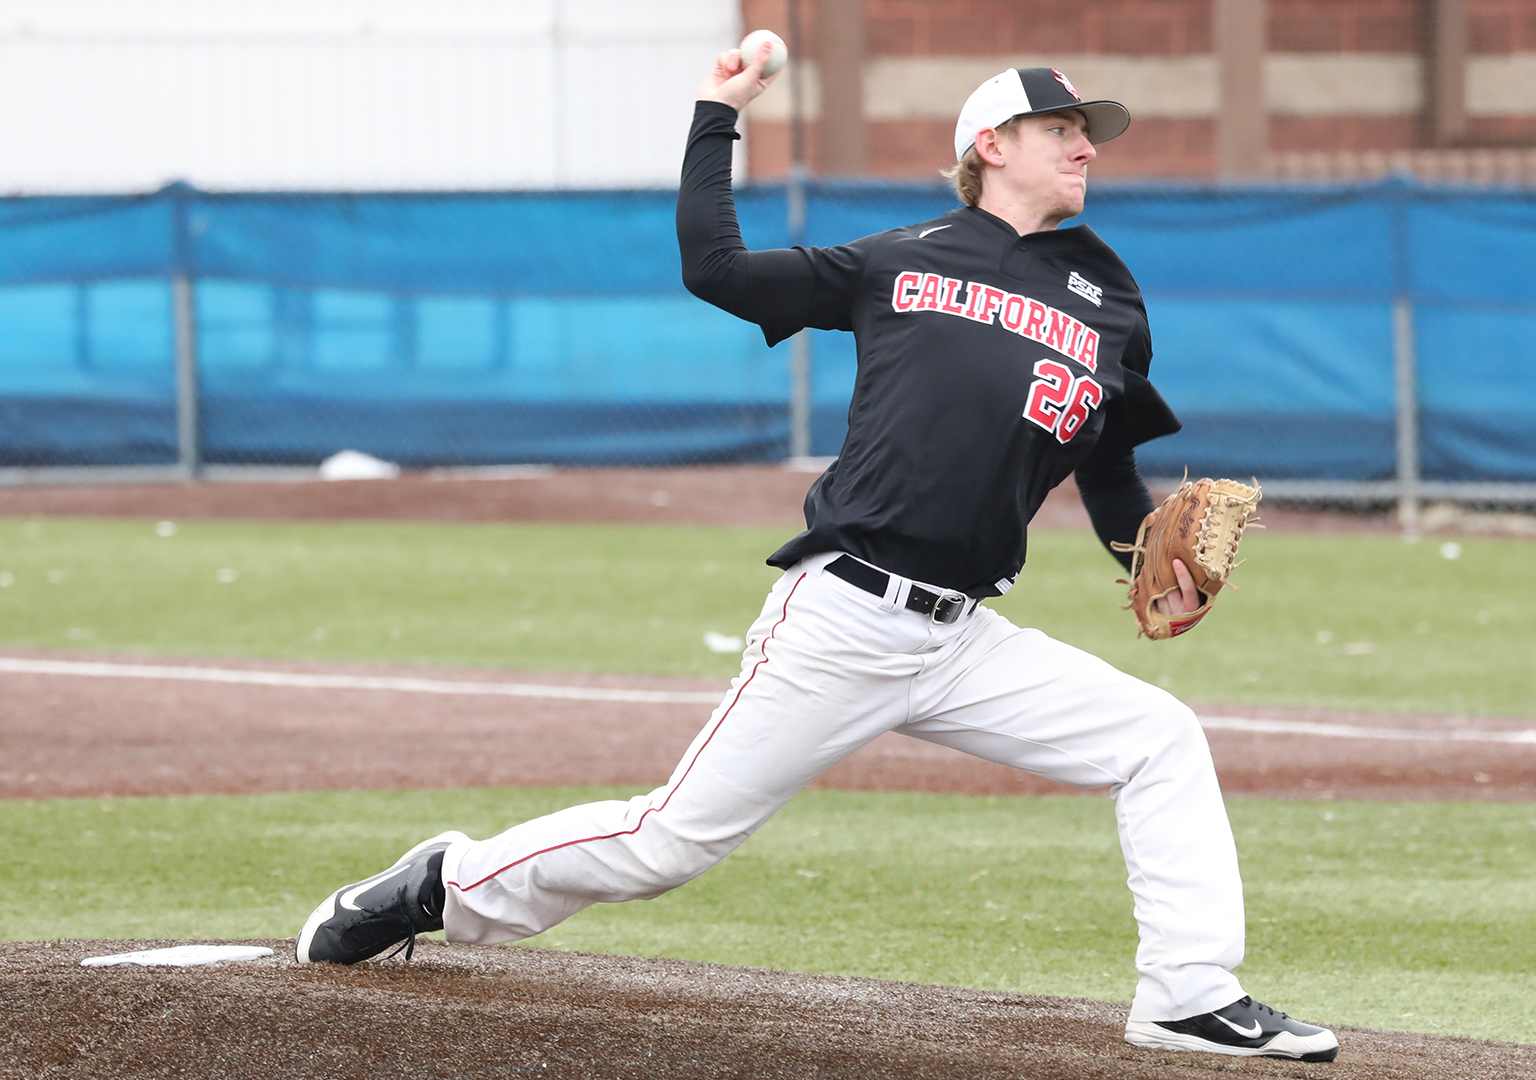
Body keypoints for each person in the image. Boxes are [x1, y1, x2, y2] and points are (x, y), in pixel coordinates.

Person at [295, 44, 1338, 1064]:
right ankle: (447, 883)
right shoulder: (901, 257)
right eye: (1061, 130)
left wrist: (1150, 563)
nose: (1086, 149)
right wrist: (719, 117)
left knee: (1159, 738)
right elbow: (718, 272)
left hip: (966, 638)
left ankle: (1190, 998)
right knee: (667, 844)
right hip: (845, 615)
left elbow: (1109, 474)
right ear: (992, 144)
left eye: (1086, 133)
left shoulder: (1110, 296)